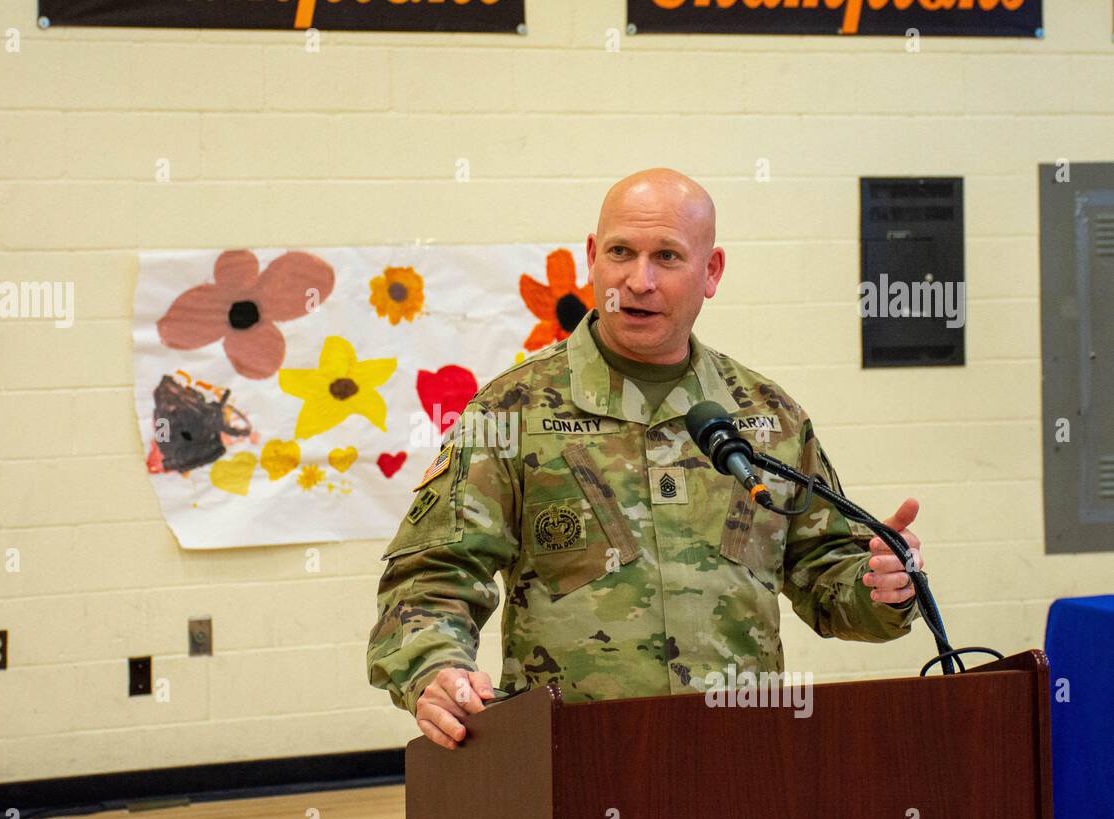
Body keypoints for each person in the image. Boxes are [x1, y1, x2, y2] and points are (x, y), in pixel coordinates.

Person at [367, 168, 924, 751]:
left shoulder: (768, 417)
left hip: (745, 760)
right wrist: (435, 670)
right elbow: (431, 578)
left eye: (667, 257)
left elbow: (828, 576)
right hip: (573, 763)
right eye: (620, 253)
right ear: (591, 257)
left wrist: (881, 585)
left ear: (711, 273)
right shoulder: (513, 411)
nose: (639, 280)